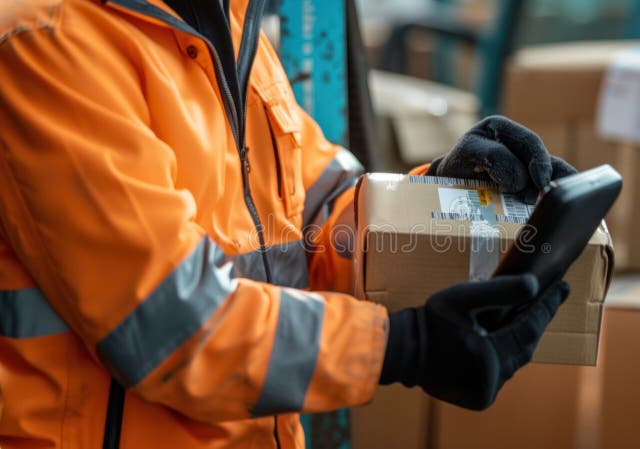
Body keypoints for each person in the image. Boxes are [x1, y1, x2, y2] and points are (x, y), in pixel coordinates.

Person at [0, 1, 573, 448]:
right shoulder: (50, 44)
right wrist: (404, 346)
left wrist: (441, 192)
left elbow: (327, 217)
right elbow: (174, 326)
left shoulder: (230, 32)